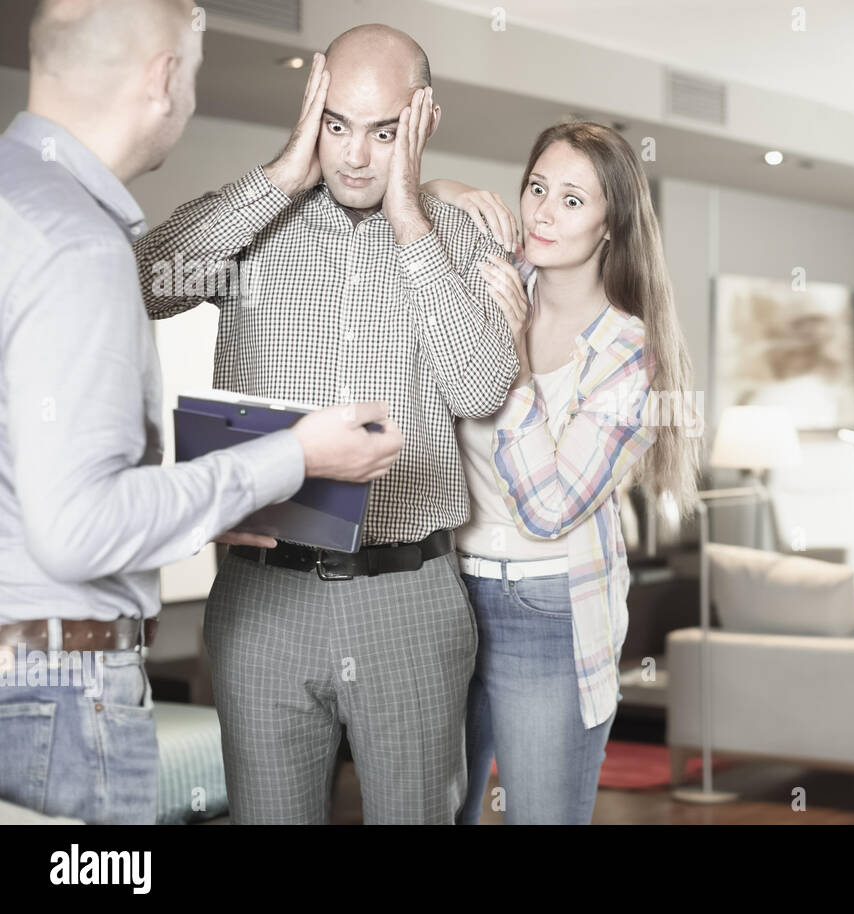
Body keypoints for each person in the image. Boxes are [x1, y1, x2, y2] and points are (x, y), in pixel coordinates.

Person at [0, 0, 402, 825]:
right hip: (57, 695)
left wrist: (207, 502)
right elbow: (75, 529)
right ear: (164, 79)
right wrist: (295, 457)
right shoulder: (78, 245)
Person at [132, 24, 519, 824]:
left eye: (384, 133)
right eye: (337, 125)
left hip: (408, 602)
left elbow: (480, 388)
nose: (355, 157)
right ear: (311, 110)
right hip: (262, 602)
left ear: (424, 120)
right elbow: (141, 284)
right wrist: (281, 174)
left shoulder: (460, 237)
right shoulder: (251, 223)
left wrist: (412, 220)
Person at [423, 121, 699, 824]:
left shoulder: (629, 354)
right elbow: (411, 216)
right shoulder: (496, 276)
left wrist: (516, 359)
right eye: (536, 188)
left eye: (573, 200)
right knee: (434, 813)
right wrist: (456, 191)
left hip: (548, 608)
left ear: (611, 225)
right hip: (446, 588)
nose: (543, 213)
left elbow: (547, 508)